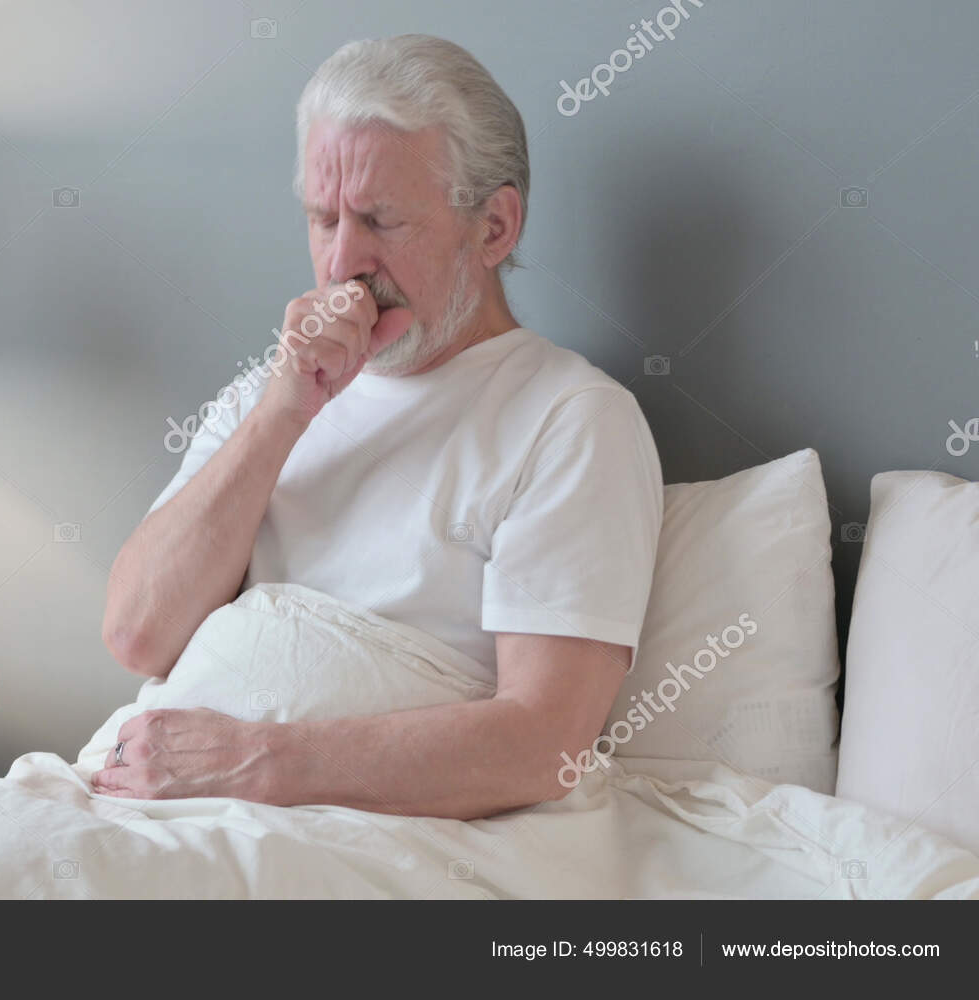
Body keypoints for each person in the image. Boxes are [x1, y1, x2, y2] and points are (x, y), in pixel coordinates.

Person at [96, 35, 662, 820]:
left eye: (380, 220)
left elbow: (544, 742)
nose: (340, 263)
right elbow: (137, 636)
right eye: (323, 219)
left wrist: (253, 762)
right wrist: (283, 415)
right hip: (155, 803)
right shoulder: (268, 396)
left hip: (329, 827)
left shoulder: (570, 419)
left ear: (494, 227)